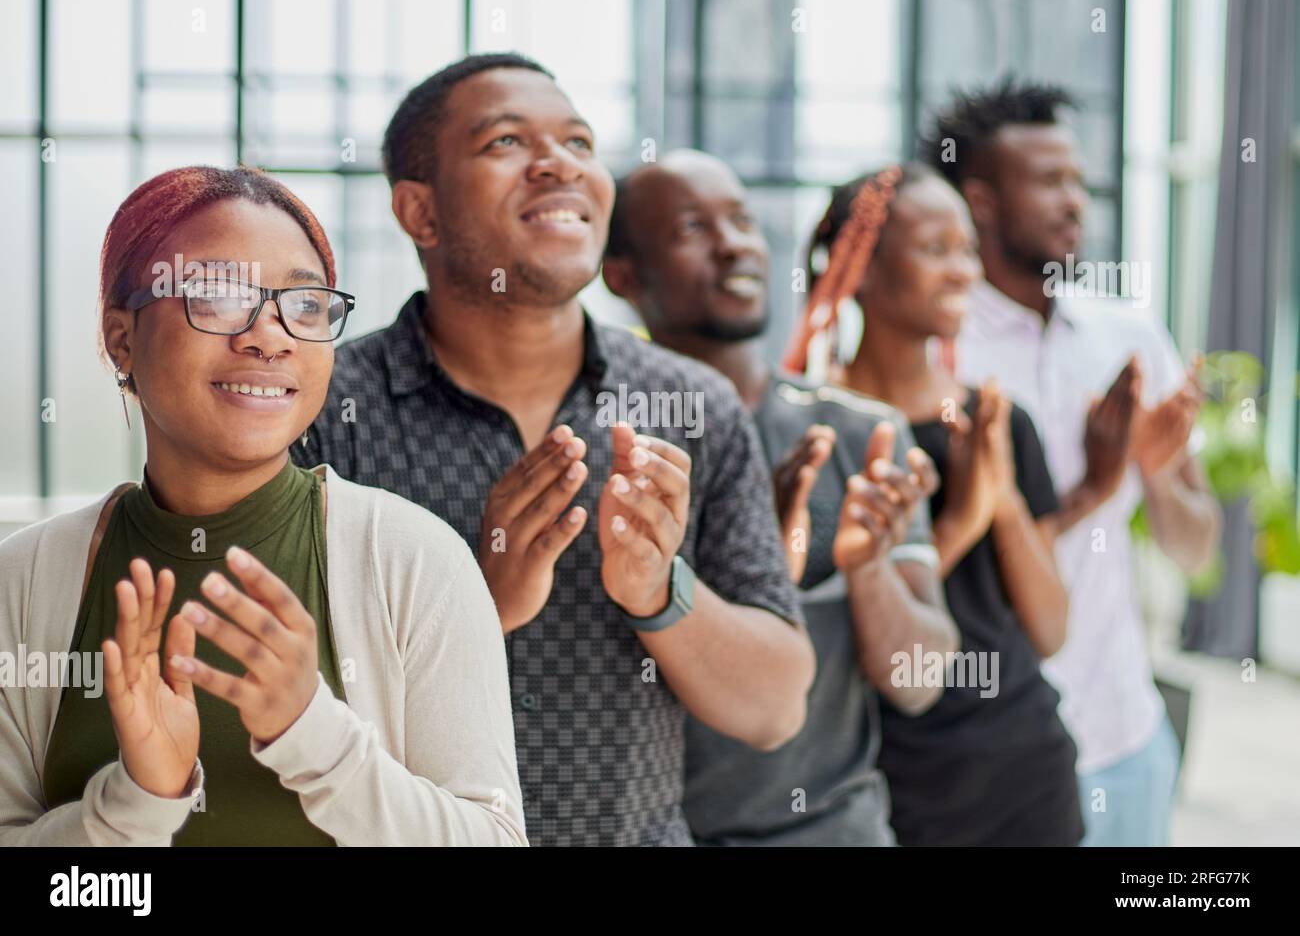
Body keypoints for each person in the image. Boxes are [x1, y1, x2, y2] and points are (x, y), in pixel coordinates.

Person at [291, 54, 814, 847]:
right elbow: (263, 711)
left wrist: (657, 590)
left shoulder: (692, 407)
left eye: (578, 141)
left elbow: (774, 709)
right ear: (420, 213)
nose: (559, 164)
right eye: (506, 142)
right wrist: (477, 609)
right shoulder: (324, 411)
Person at [0, 166, 526, 846]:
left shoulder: (413, 559)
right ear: (123, 338)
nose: (270, 335)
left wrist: (313, 733)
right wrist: (138, 799)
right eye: (219, 297)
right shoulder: (24, 577)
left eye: (306, 306)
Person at [602, 149, 957, 846]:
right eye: (690, 229)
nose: (733, 242)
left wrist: (866, 569)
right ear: (623, 275)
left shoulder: (861, 435)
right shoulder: (606, 443)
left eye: (740, 219)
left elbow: (918, 681)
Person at [921, 80, 1221, 846]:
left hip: (1128, 740)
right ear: (980, 202)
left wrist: (1154, 467)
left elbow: (1197, 551)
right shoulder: (933, 353)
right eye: (1049, 181)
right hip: (995, 755)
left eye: (1078, 181)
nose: (1074, 201)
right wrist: (1088, 490)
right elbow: (941, 564)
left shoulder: (1126, 335)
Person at [790, 163, 1084, 845]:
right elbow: (852, 640)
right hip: (892, 791)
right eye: (934, 249)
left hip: (1025, 776)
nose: (961, 271)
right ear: (856, 265)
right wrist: (960, 523)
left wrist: (1001, 498)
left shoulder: (998, 424)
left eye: (967, 249)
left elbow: (1049, 628)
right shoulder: (812, 432)